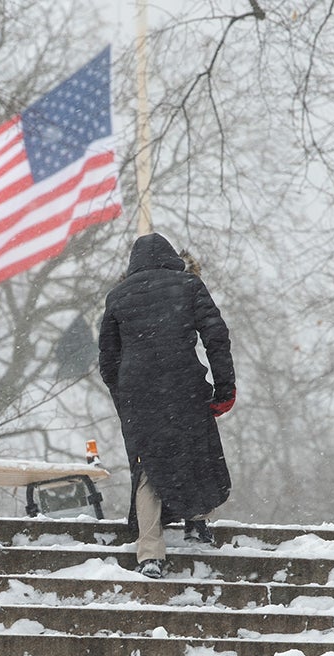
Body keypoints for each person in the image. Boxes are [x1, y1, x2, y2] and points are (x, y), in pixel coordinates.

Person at [97, 232, 236, 579]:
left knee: (147, 467)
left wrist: (124, 397)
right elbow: (216, 336)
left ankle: (150, 553)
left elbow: (107, 361)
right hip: (183, 384)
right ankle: (198, 524)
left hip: (138, 392)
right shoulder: (188, 285)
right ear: (172, 257)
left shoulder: (118, 297)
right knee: (197, 449)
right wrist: (224, 387)